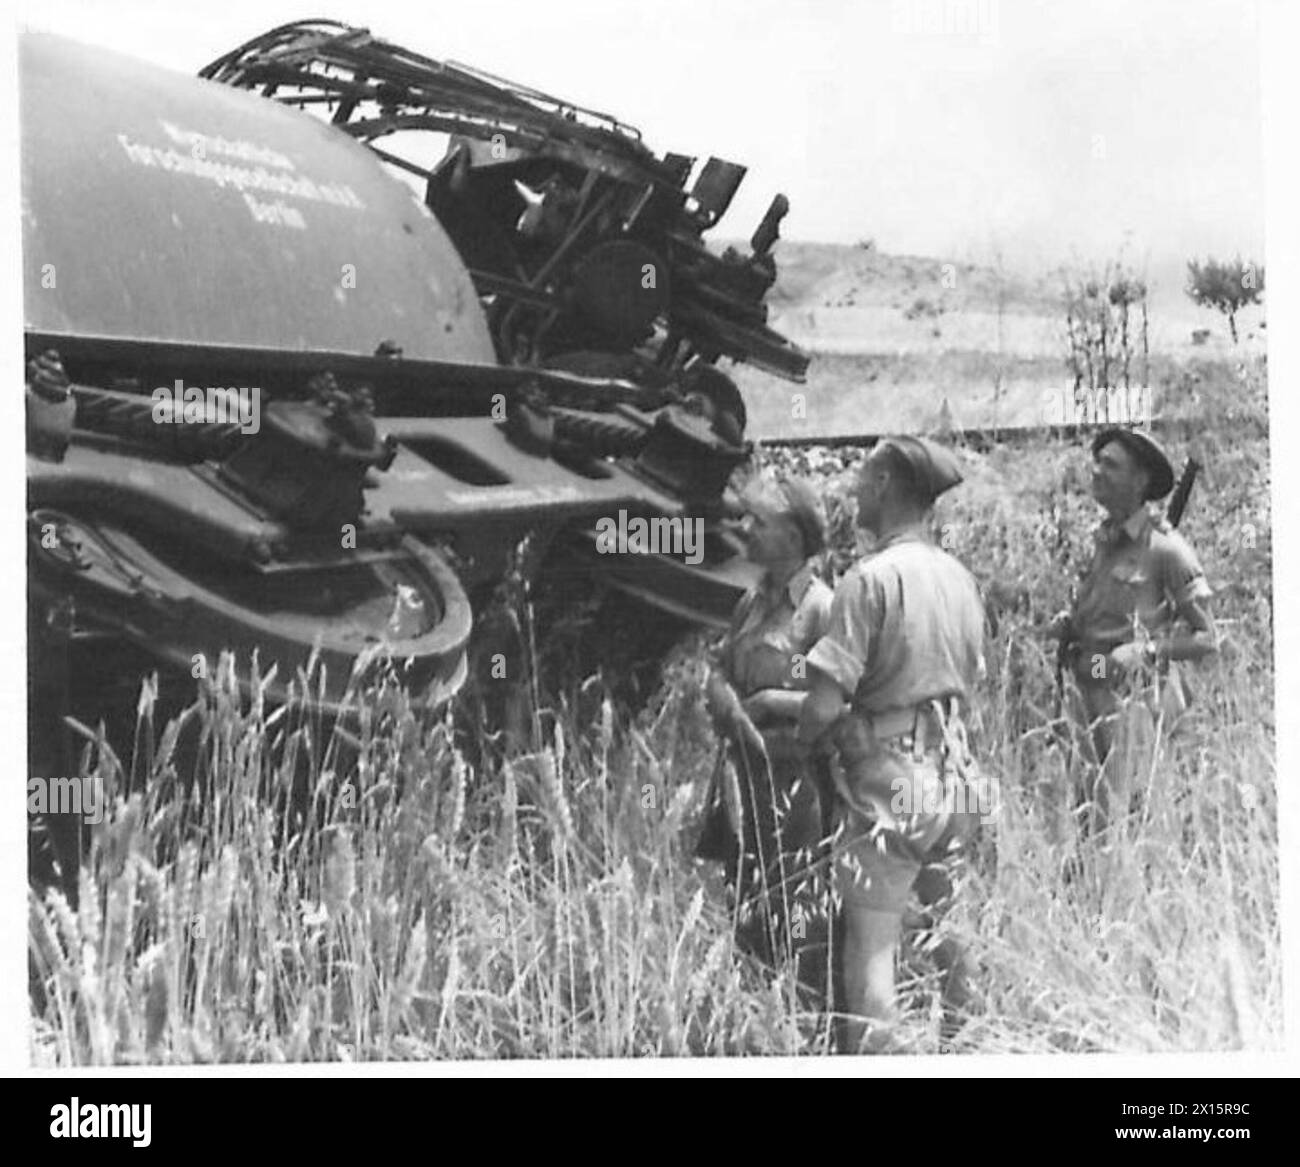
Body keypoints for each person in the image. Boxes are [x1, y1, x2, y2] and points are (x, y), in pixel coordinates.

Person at [797, 435, 987, 1053]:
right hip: (954, 776)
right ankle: (973, 1050)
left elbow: (823, 706)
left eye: (862, 477)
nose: (854, 489)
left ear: (884, 486)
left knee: (871, 955)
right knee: (950, 937)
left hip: (892, 778)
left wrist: (807, 736)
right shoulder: (959, 577)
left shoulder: (868, 580)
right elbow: (972, 679)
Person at [699, 476, 834, 990]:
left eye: (760, 520)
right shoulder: (750, 603)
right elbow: (718, 666)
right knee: (744, 904)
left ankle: (803, 1009)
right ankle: (753, 1006)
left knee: (797, 906)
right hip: (743, 778)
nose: (745, 527)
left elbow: (840, 703)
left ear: (794, 539)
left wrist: (771, 703)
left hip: (794, 782)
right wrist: (722, 697)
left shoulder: (822, 608)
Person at [1048, 427, 1218, 835]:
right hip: (1088, 684)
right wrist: (1069, 623)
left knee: (1128, 815)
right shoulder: (1102, 541)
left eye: (1111, 465)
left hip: (1131, 698)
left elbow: (1208, 639)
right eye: (1097, 462)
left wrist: (1146, 652)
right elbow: (1106, 609)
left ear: (1139, 481)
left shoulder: (1167, 550)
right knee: (1086, 813)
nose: (1097, 472)